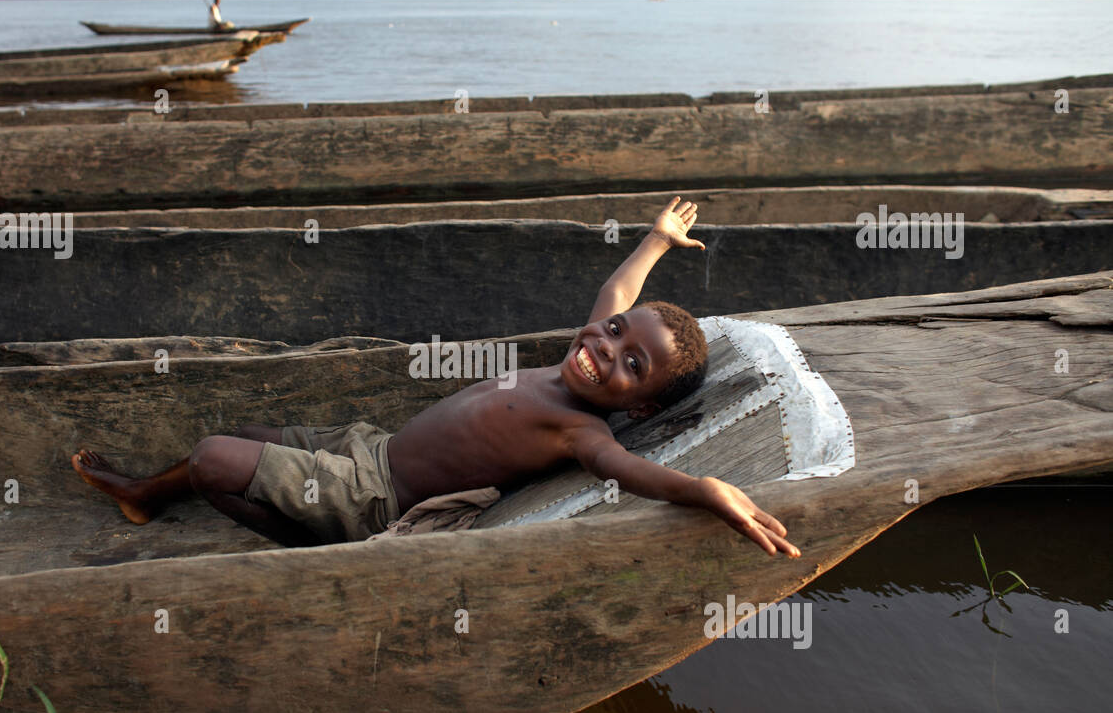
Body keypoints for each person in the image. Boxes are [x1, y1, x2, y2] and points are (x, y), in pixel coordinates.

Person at [72, 197, 800, 558]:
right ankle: (145, 496)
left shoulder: (581, 429)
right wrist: (655, 241)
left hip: (372, 497)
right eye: (614, 335)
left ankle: (311, 544)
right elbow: (617, 295)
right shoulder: (581, 358)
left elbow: (630, 472)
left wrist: (703, 491)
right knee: (242, 438)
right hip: (367, 447)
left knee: (210, 459)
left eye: (630, 365)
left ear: (637, 408)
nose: (605, 348)